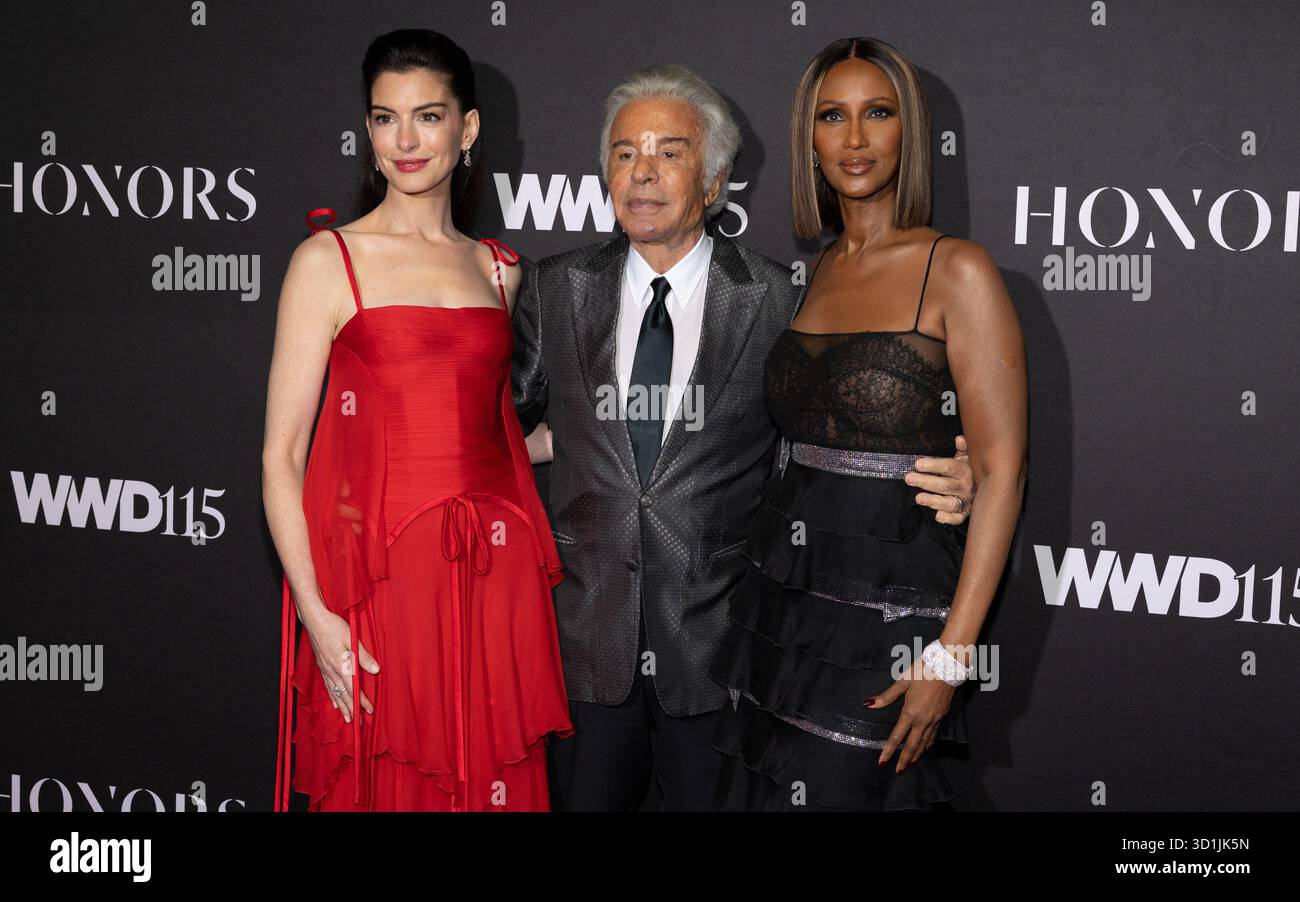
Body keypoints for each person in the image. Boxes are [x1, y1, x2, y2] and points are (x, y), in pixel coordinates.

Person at [512, 64, 975, 811]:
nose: (644, 172)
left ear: (715, 179)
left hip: (723, 650)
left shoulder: (780, 299)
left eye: (670, 151)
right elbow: (498, 422)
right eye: (625, 153)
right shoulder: (552, 287)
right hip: (583, 647)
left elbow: (833, 437)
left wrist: (968, 472)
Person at [708, 37, 1029, 811]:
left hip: (896, 612)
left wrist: (951, 659)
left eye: (877, 114)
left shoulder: (958, 269)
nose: (854, 139)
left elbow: (1001, 471)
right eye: (832, 117)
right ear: (808, 138)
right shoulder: (815, 271)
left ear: (908, 131)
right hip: (786, 605)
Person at [263, 29, 571, 812]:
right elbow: (282, 457)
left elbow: (496, 434)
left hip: (492, 579)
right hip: (380, 585)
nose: (404, 141)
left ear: (466, 130)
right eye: (384, 118)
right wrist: (317, 616)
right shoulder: (328, 260)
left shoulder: (499, 269)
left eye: (428, 117)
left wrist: (615, 436)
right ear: (366, 130)